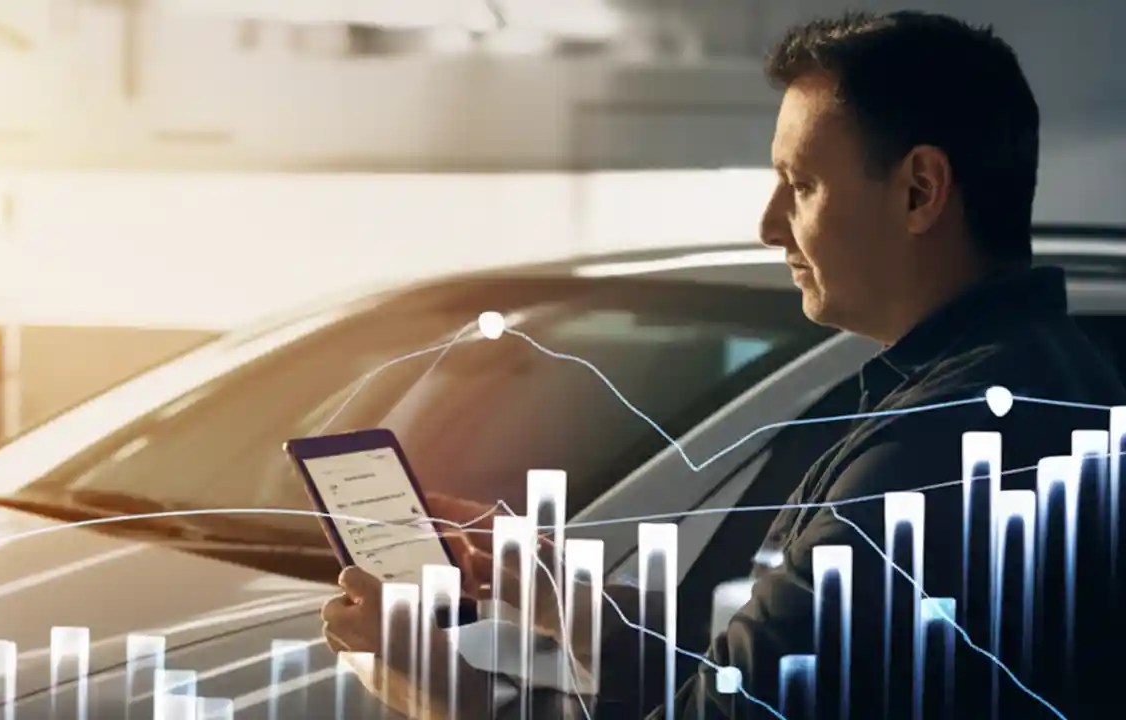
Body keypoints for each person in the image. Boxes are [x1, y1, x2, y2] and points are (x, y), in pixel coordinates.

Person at [322, 10, 1126, 719]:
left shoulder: (936, 452)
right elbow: (774, 684)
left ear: (920, 190)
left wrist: (444, 695)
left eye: (799, 183)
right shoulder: (1035, 383)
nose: (769, 224)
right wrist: (566, 604)